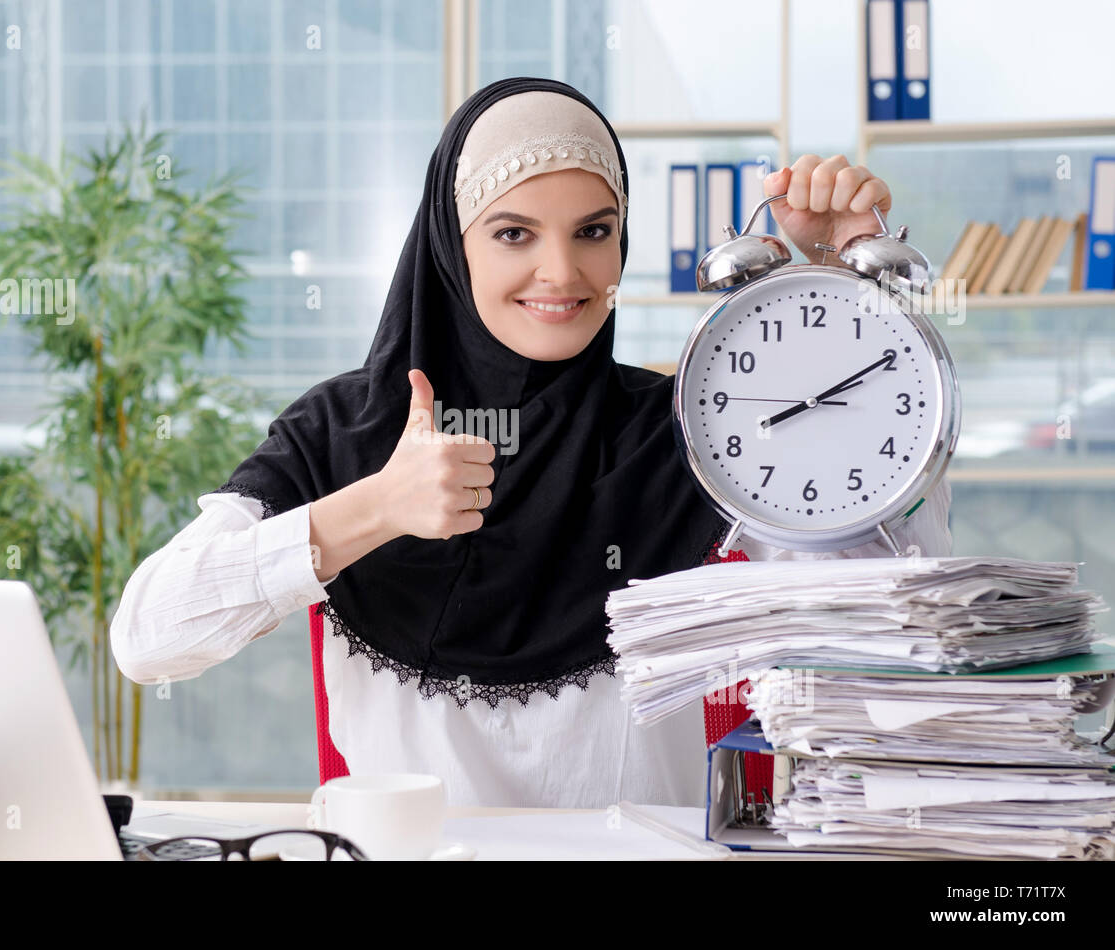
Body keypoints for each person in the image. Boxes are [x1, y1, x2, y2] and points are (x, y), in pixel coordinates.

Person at [110, 77, 952, 809]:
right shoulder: (346, 432)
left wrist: (841, 282)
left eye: (594, 231)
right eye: (514, 233)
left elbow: (888, 608)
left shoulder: (695, 429)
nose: (563, 273)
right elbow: (148, 638)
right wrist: (373, 508)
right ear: (453, 243)